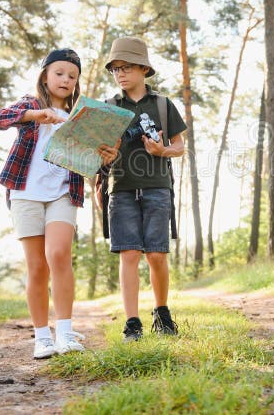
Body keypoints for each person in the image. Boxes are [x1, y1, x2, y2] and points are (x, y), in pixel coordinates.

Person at [0, 48, 119, 359]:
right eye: (59, 73)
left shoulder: (82, 117)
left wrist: (107, 157)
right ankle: (42, 338)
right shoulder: (30, 105)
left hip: (63, 193)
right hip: (25, 193)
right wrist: (34, 116)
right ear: (45, 76)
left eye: (72, 76)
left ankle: (65, 333)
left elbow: (93, 163)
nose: (65, 80)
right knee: (37, 267)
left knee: (59, 255)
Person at [96, 36, 186, 342]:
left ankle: (162, 313)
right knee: (129, 254)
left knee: (157, 255)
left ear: (143, 69)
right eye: (115, 69)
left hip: (157, 188)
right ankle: (132, 323)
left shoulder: (162, 104)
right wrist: (105, 162)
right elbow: (97, 154)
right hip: (120, 189)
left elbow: (180, 146)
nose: (120, 74)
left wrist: (162, 151)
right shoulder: (108, 107)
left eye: (126, 67)